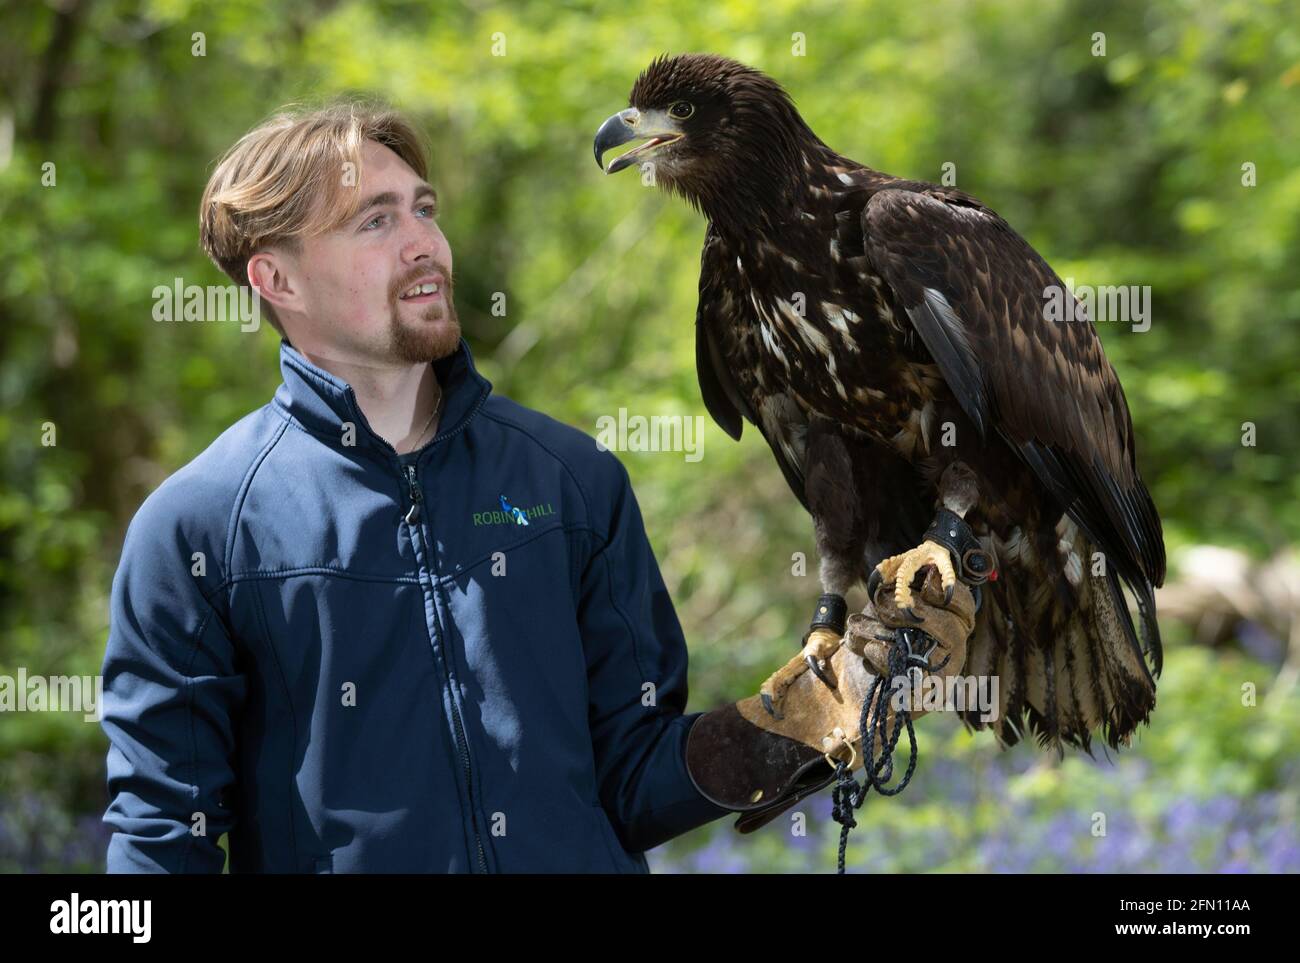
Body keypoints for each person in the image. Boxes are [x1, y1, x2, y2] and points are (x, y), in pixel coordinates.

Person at [100, 101, 975, 873]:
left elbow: (630, 780)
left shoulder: (571, 481)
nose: (424, 242)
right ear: (275, 278)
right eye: (374, 221)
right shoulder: (200, 528)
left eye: (424, 209)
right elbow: (158, 839)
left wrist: (805, 719)